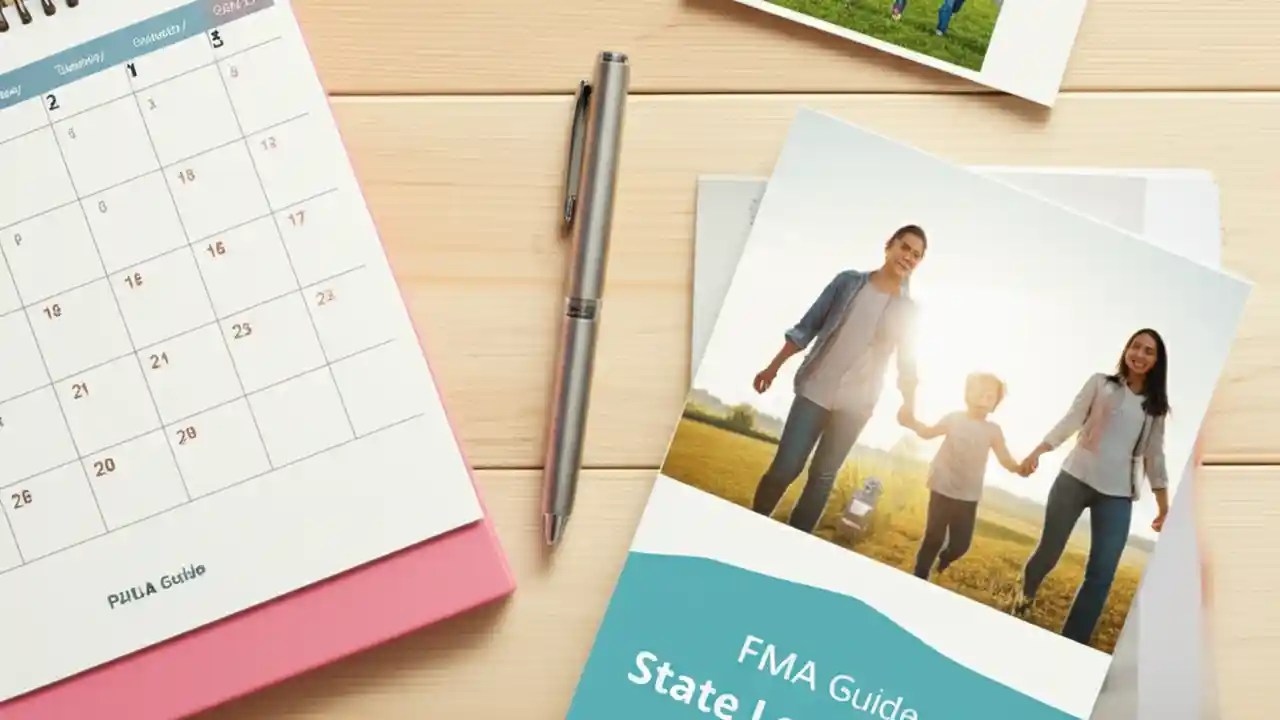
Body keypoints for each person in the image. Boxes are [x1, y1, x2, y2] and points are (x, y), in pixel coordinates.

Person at [749, 224, 926, 534]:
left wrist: (908, 407)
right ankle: (750, 526)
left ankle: (791, 545)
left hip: (856, 405)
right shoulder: (848, 282)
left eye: (916, 255)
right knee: (785, 468)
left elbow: (907, 365)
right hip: (816, 389)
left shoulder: (907, 310)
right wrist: (773, 366)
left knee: (822, 477)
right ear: (889, 246)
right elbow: (808, 326)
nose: (908, 257)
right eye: (904, 247)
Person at [1012, 328, 1172, 646]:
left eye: (1149, 351)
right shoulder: (1100, 383)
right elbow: (1072, 419)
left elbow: (1155, 455)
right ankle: (1023, 600)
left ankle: (1071, 643)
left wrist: (1163, 505)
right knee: (1049, 551)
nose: (1140, 355)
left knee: (1101, 573)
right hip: (1074, 478)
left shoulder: (1154, 408)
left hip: (1117, 496)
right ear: (1126, 350)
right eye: (1135, 347)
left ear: (1157, 361)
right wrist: (1038, 451)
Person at [901, 372, 1028, 581]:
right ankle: (919, 576)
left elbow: (1005, 459)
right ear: (967, 394)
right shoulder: (954, 418)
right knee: (933, 536)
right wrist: (911, 422)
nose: (982, 398)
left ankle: (945, 558)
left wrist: (1018, 468)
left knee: (961, 545)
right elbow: (928, 433)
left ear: (995, 404)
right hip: (942, 485)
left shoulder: (993, 431)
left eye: (989, 396)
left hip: (968, 495)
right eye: (978, 392)